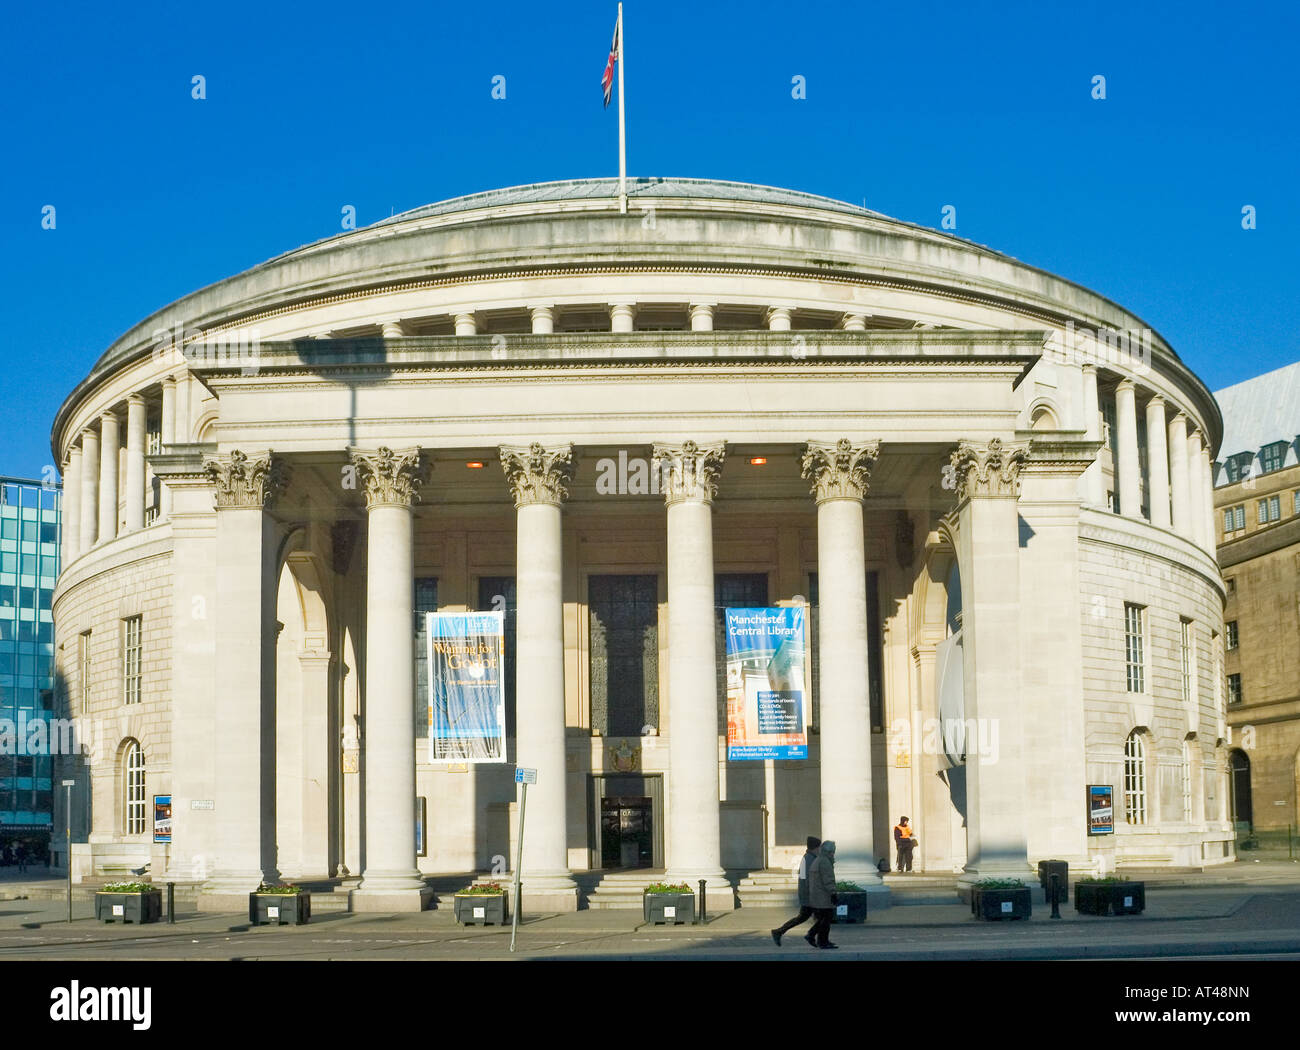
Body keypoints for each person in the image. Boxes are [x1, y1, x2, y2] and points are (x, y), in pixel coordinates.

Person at [771, 835, 821, 946]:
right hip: (809, 895)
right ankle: (811, 936)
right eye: (819, 847)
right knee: (823, 918)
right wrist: (812, 894)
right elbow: (808, 879)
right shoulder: (809, 859)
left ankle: (779, 932)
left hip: (806, 894)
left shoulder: (807, 858)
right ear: (816, 848)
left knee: (806, 917)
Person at [807, 840, 839, 949]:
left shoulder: (818, 860)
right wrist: (833, 892)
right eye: (833, 852)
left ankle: (816, 937)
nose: (833, 854)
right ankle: (821, 940)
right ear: (829, 851)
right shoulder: (825, 862)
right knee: (826, 920)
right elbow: (828, 880)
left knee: (822, 919)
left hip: (816, 895)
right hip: (823, 896)